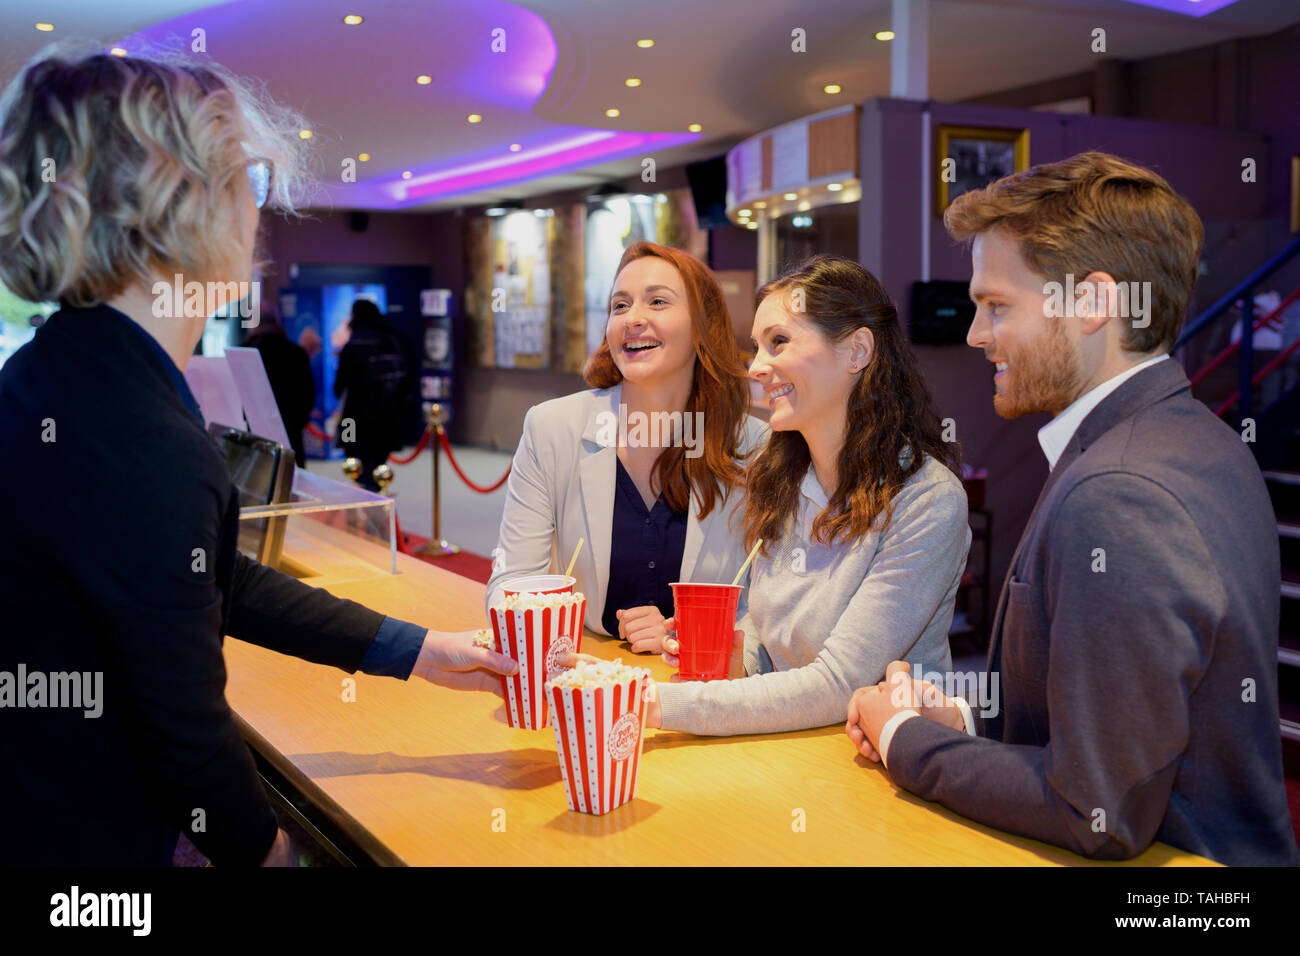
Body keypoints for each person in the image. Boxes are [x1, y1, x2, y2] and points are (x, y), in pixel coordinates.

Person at [0, 48, 517, 867]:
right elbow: (188, 741)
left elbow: (214, 577)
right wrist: (271, 852)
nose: (259, 213)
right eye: (251, 182)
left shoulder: (66, 374)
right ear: (181, 201)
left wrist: (417, 650)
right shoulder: (138, 436)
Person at [845, 151, 1300, 866]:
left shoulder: (1120, 492)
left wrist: (904, 737)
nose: (975, 334)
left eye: (997, 306)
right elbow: (1097, 705)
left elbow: (1096, 810)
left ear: (1092, 303)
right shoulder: (1193, 438)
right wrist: (955, 715)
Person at [644, 255, 970, 735]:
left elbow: (840, 683)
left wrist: (651, 703)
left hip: (884, 773)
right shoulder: (778, 479)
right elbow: (768, 630)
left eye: (778, 342)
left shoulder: (927, 499)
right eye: (756, 347)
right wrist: (742, 655)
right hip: (786, 754)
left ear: (857, 351)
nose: (756, 367)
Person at [486, 240, 766, 652]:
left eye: (657, 302)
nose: (632, 319)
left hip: (705, 691)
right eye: (619, 306)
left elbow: (771, 609)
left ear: (703, 326)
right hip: (586, 681)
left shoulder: (756, 447)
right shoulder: (552, 429)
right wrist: (549, 633)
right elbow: (509, 583)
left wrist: (687, 636)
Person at [333, 298, 410, 491]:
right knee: (378, 466)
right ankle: (377, 500)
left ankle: (359, 505)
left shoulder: (354, 343)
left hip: (353, 418)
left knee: (353, 461)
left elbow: (339, 387)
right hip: (386, 418)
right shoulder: (392, 339)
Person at [243, 307, 315, 467]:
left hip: (253, 436)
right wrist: (298, 422)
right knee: (292, 483)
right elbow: (308, 393)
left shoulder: (245, 352)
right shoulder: (296, 353)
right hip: (291, 433)